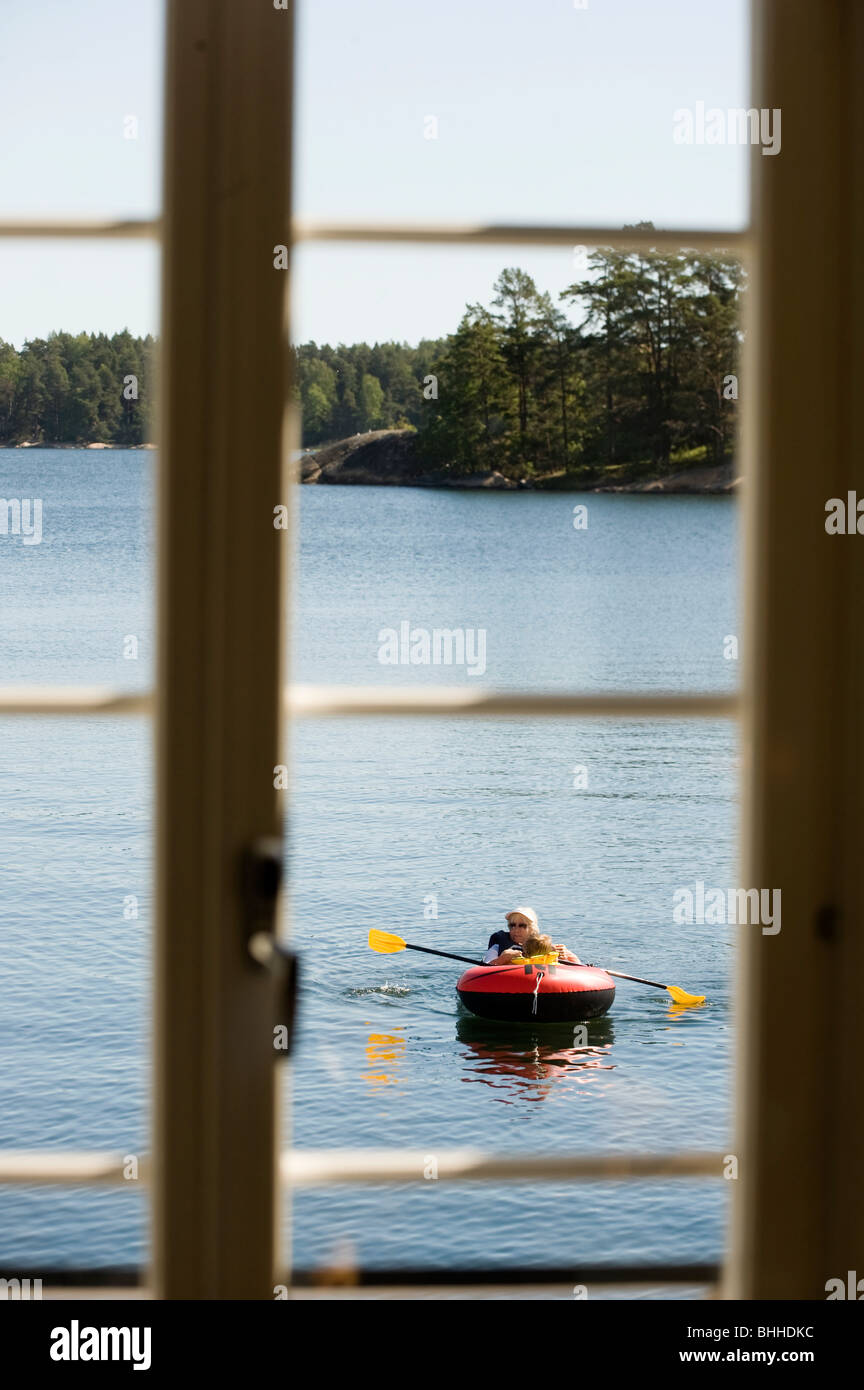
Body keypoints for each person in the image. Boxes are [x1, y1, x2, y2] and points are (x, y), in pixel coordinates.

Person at [482, 906, 581, 966]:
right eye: (512, 925)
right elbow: (484, 967)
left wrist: (564, 955)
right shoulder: (498, 946)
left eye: (522, 926)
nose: (515, 929)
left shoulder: (546, 946)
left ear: (532, 928)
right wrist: (502, 959)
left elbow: (580, 966)